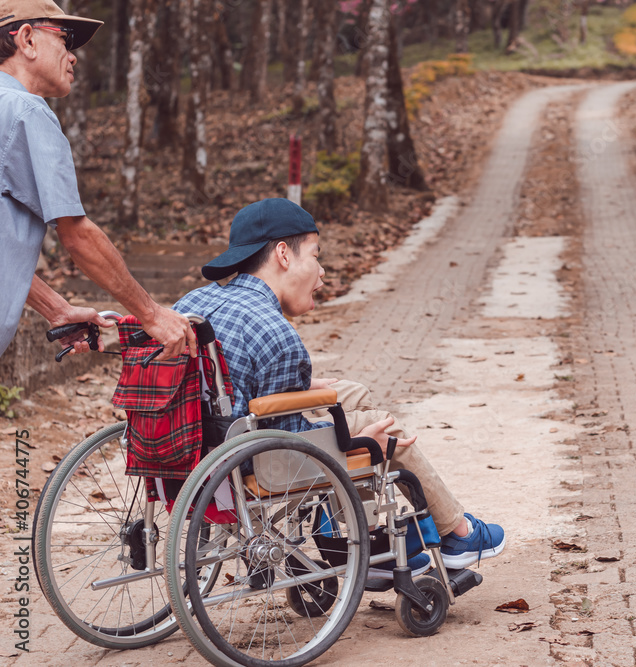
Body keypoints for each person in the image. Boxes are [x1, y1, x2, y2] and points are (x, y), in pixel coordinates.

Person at [173, 198, 505, 572]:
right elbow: (291, 439)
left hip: (199, 436)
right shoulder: (275, 331)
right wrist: (359, 445)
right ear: (283, 254)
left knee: (353, 393)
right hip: (252, 455)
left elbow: (224, 374)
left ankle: (363, 531)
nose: (322, 271)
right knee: (383, 426)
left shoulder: (194, 302)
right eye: (316, 255)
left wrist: (303, 385)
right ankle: (457, 532)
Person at [0, 0, 194, 359]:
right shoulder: (26, 112)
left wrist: (55, 308)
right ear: (26, 39)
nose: (73, 57)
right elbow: (76, 235)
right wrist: (152, 315)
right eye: (65, 39)